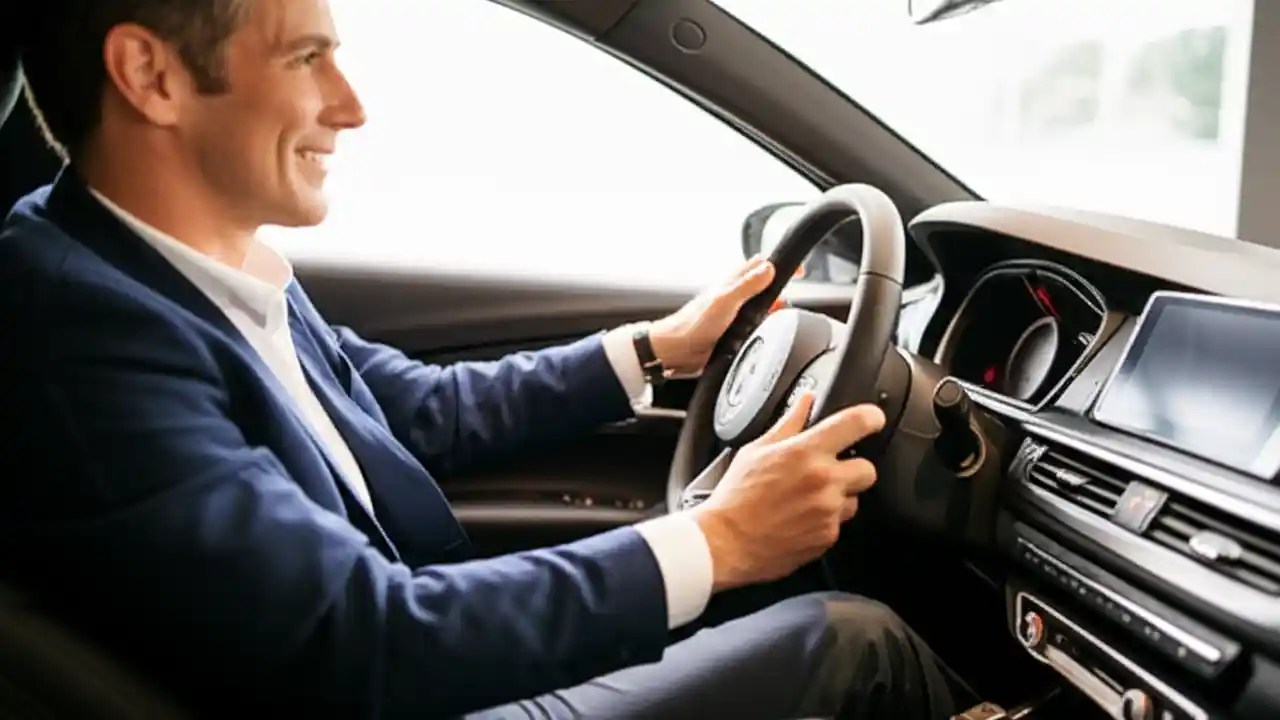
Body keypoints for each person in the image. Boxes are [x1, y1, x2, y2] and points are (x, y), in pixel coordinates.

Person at [0, 1, 963, 717]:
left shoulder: (190, 262)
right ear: (150, 76)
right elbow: (360, 639)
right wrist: (717, 540)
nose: (352, 107)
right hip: (385, 689)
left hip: (401, 664)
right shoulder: (84, 334)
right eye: (307, 58)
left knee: (794, 584)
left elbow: (409, 410)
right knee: (852, 641)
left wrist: (658, 349)